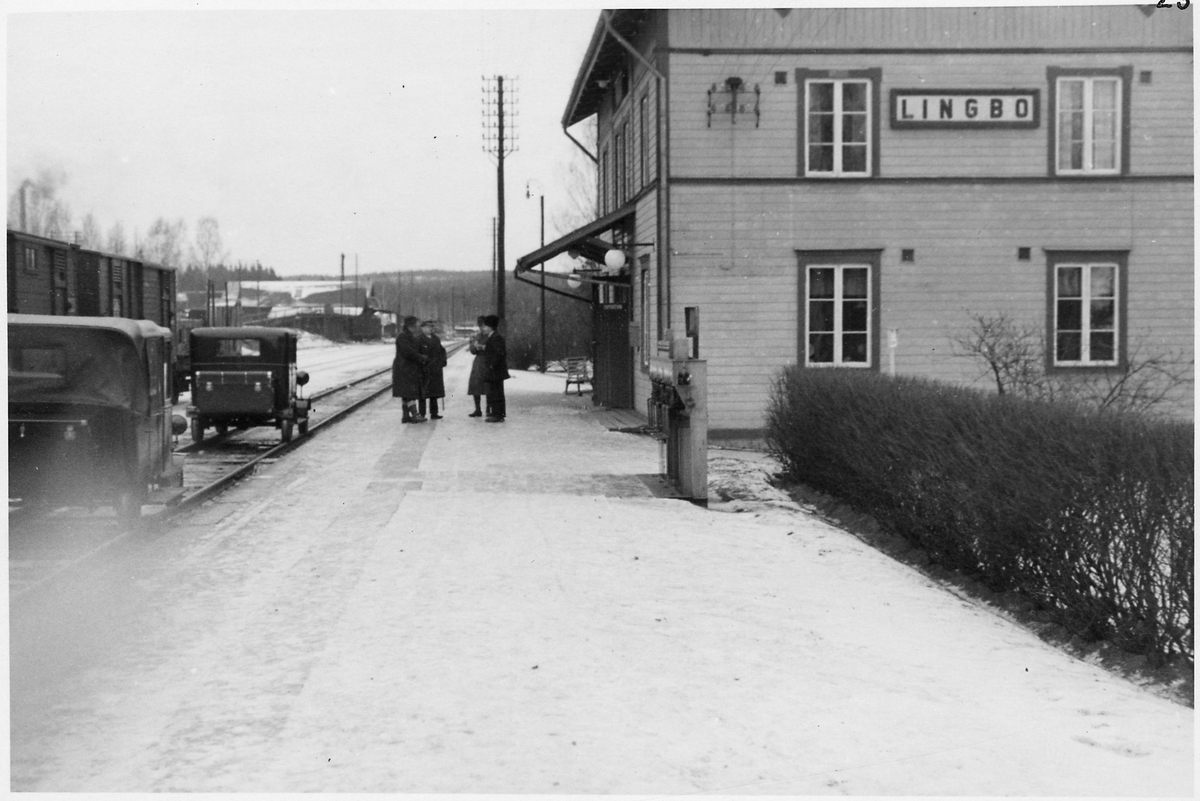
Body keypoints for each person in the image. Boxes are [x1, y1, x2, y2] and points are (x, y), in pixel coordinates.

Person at [392, 316, 429, 423]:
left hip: (405, 368)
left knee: (406, 393)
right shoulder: (403, 336)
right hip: (405, 368)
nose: (418, 326)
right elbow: (408, 352)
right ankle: (415, 414)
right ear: (411, 325)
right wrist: (421, 357)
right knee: (409, 393)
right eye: (417, 324)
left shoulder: (406, 335)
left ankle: (405, 415)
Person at [480, 314, 510, 423]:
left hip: (495, 370)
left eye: (485, 326)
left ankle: (497, 414)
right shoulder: (494, 337)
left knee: (496, 392)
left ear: (490, 327)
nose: (483, 328)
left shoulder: (496, 338)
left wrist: (491, 366)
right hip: (495, 370)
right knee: (495, 392)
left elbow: (498, 354)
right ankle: (497, 413)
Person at [417, 319, 447, 419]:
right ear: (422, 328)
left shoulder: (436, 339)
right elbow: (416, 354)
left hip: (435, 369)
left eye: (431, 327)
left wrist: (443, 361)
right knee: (423, 393)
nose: (430, 329)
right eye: (428, 327)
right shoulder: (418, 339)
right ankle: (422, 413)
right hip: (423, 370)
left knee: (434, 392)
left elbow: (442, 351)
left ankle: (434, 413)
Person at [466, 315, 489, 418]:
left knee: (488, 386)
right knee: (475, 385)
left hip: (487, 362)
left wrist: (483, 347)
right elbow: (472, 350)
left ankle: (489, 408)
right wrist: (474, 347)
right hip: (478, 362)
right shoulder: (478, 336)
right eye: (480, 326)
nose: (482, 328)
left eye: (483, 326)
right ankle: (478, 408)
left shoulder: (490, 336)